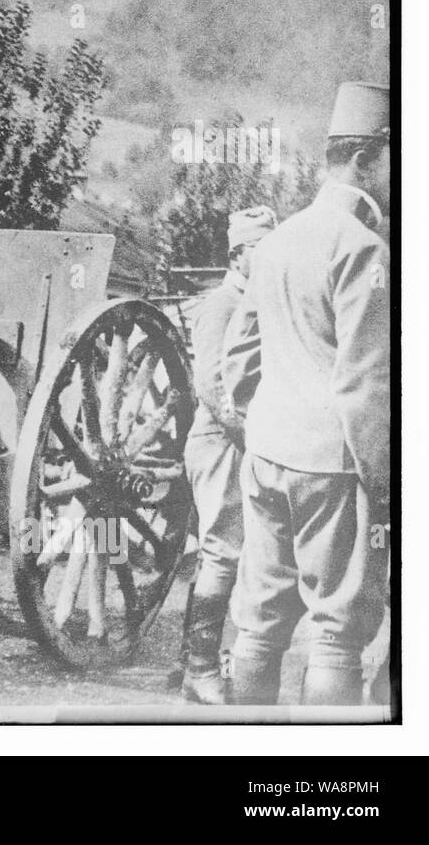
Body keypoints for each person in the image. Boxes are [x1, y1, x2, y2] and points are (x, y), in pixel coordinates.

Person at [222, 82, 392, 705]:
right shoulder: (365, 249)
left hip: (267, 454)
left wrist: (258, 425)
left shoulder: (276, 241)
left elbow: (237, 361)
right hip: (334, 463)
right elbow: (366, 384)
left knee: (259, 626)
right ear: (368, 159)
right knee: (337, 636)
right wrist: (386, 484)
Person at [179, 205, 277, 704]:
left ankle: (205, 664)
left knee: (244, 553)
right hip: (220, 442)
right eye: (261, 249)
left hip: (245, 441)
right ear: (238, 254)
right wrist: (250, 437)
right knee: (222, 551)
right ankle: (199, 671)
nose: (269, 258)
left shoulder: (261, 301)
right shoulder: (219, 305)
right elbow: (213, 388)